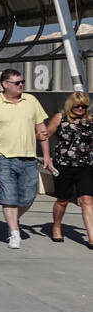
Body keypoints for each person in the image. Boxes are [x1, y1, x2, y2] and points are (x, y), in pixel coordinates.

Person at [0, 68, 51, 248]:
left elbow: (42, 130)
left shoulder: (31, 100)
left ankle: (11, 221)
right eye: (17, 83)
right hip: (3, 158)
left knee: (28, 197)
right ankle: (14, 232)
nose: (21, 85)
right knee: (8, 196)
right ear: (5, 84)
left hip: (29, 158)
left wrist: (47, 155)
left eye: (22, 82)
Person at [45, 91, 93, 246]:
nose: (80, 109)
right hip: (63, 165)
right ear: (70, 106)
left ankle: (91, 236)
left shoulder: (90, 121)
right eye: (76, 106)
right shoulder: (60, 118)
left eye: (84, 106)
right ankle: (57, 226)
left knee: (87, 199)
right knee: (63, 200)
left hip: (85, 165)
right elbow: (46, 135)